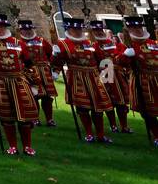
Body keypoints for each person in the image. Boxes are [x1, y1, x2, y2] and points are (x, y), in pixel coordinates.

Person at [0, 14, 39, 156]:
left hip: (18, 81)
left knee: (25, 116)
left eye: (2, 26)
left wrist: (35, 82)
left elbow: (29, 63)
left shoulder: (17, 42)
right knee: (7, 117)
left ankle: (27, 146)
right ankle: (12, 146)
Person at [53, 16, 115, 143]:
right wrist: (56, 63)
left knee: (98, 108)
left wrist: (107, 77)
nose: (77, 31)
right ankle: (88, 133)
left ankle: (101, 134)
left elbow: (102, 60)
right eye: (74, 29)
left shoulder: (90, 43)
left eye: (79, 29)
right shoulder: (63, 44)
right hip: (77, 77)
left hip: (93, 76)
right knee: (83, 107)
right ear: (68, 29)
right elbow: (58, 62)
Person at [90, 19, 132, 133]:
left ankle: (124, 126)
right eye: (95, 30)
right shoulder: (91, 46)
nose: (98, 32)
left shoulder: (113, 43)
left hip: (118, 74)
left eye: (100, 30)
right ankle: (113, 125)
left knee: (121, 102)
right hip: (104, 75)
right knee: (109, 102)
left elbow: (122, 56)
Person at [122, 15, 158, 146]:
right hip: (141, 80)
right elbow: (118, 62)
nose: (137, 30)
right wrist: (126, 56)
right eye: (133, 27)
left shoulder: (152, 43)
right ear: (128, 29)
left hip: (157, 77)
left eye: (139, 27)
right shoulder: (127, 45)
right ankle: (156, 134)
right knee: (147, 110)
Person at [16, 18, 57, 126]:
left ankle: (49, 119)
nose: (28, 31)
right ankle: (35, 118)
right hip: (29, 72)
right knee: (33, 96)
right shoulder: (18, 43)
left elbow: (50, 55)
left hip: (44, 72)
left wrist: (54, 68)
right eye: (24, 30)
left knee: (47, 97)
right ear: (20, 31)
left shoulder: (42, 41)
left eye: (29, 29)